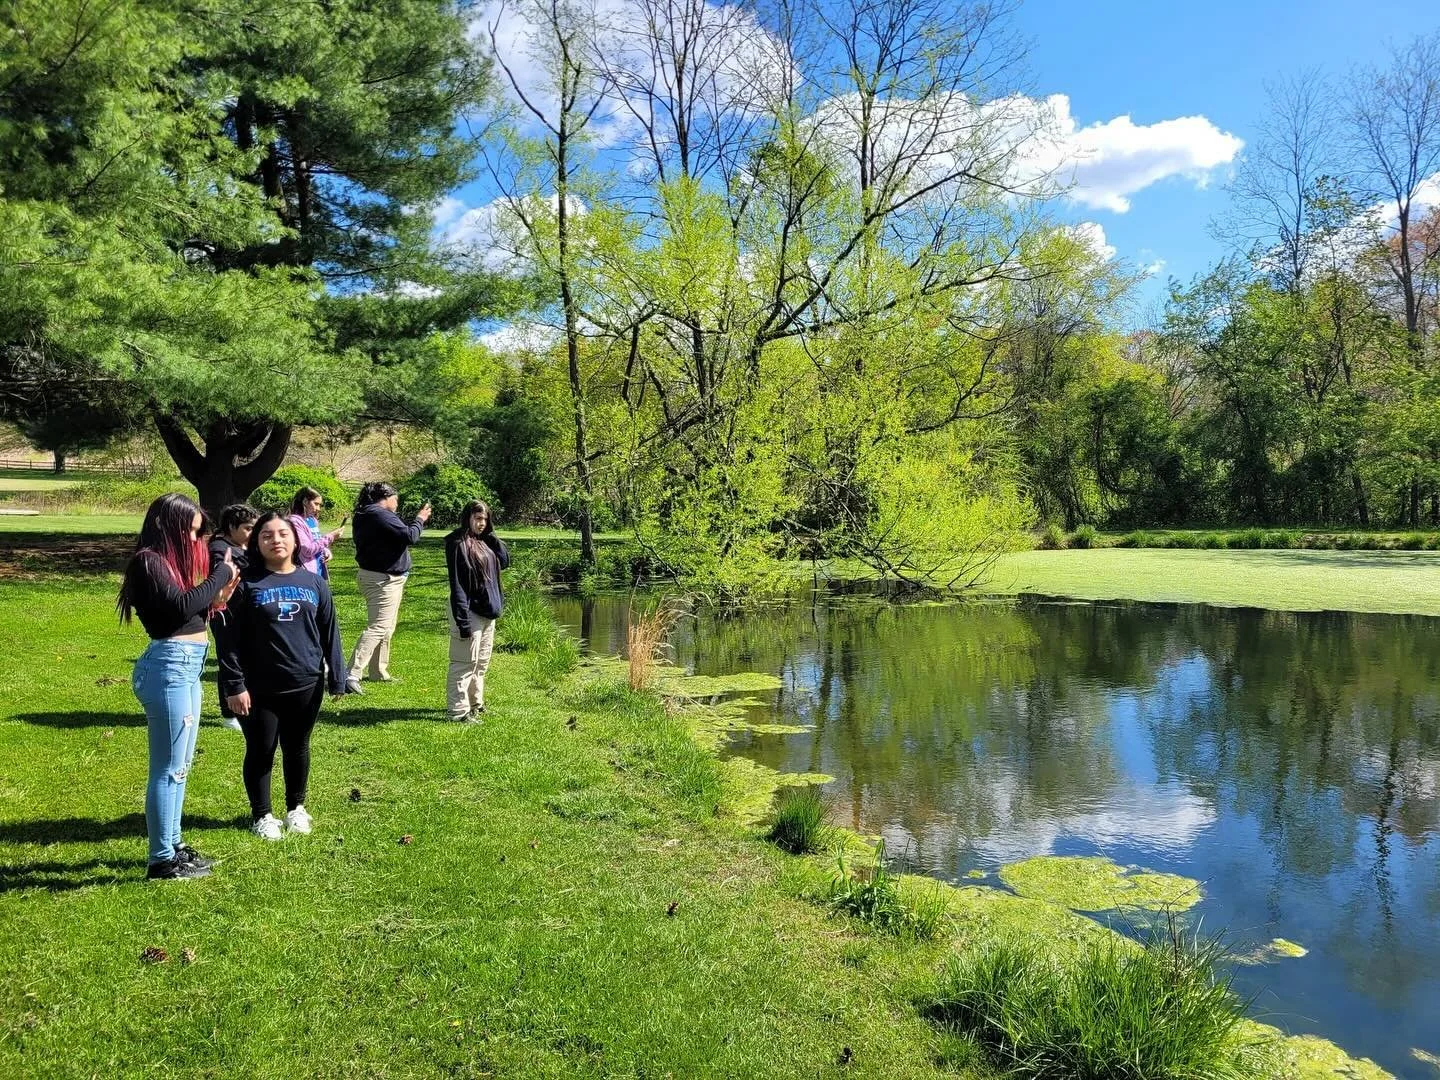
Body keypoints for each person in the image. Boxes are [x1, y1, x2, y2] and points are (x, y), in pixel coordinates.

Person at [118, 493, 239, 881]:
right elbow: (177, 608)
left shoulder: (166, 567)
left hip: (186, 668)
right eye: (190, 531)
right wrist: (220, 573)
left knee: (180, 768)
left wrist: (219, 597)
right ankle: (161, 860)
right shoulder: (148, 563)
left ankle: (174, 845)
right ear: (169, 526)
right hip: (168, 668)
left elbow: (191, 610)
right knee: (168, 769)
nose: (194, 540)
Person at [215, 512, 347, 840]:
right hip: (258, 687)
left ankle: (296, 809)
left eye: (283, 534)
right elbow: (227, 640)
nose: (276, 540)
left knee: (298, 746)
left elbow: (330, 631)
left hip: (306, 682)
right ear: (256, 543)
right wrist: (234, 684)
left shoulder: (314, 582)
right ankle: (262, 815)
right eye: (267, 535)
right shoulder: (245, 584)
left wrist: (337, 677)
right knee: (261, 749)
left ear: (295, 539)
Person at [345, 482, 430, 694]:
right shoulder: (378, 514)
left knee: (387, 626)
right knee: (379, 626)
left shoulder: (368, 513)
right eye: (396, 498)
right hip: (382, 580)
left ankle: (378, 671)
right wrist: (420, 519)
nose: (397, 503)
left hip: (383, 577)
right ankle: (350, 674)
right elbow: (410, 536)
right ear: (386, 496)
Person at [444, 500, 510, 722]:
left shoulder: (485, 541)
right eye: (477, 518)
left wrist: (492, 536)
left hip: (487, 612)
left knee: (481, 663)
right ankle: (457, 711)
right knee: (464, 662)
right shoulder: (457, 543)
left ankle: (476, 704)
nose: (482, 523)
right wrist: (462, 621)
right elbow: (458, 584)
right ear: (467, 518)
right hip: (470, 612)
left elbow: (505, 561)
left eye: (485, 519)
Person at [209, 504, 259, 731]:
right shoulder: (221, 549)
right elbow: (221, 573)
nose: (252, 533)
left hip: (240, 612)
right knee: (229, 657)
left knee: (239, 656)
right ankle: (229, 712)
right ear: (231, 527)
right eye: (248, 528)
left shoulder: (238, 546)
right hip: (225, 612)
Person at [286, 486, 344, 580]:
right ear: (305, 501)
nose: (319, 508)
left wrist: (326, 551)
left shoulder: (312, 520)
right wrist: (330, 537)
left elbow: (317, 542)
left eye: (320, 505)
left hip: (319, 571)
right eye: (316, 504)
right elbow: (308, 550)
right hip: (305, 575)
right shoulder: (294, 522)